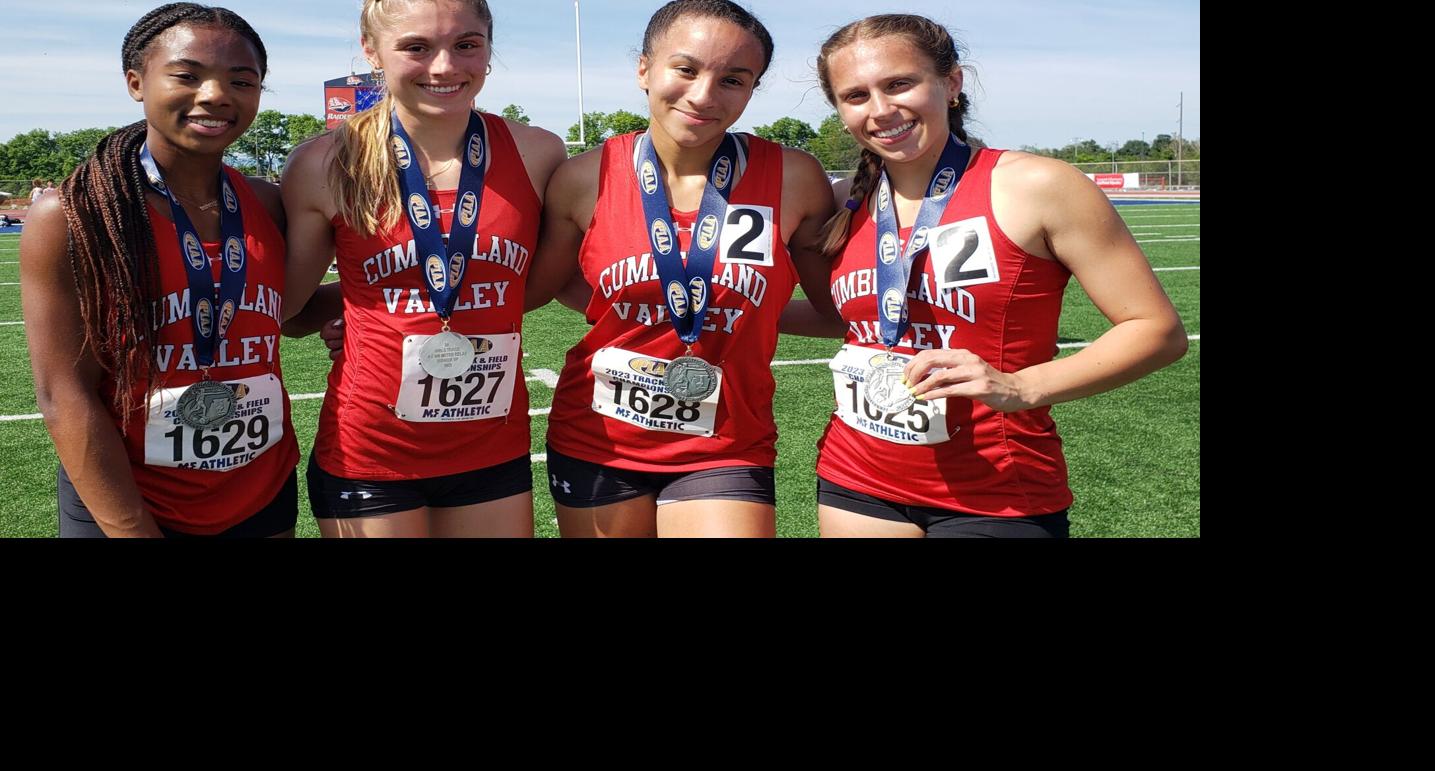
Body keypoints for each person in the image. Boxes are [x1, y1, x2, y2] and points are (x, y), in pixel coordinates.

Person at [808, 14, 1188, 537]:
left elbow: (1156, 330)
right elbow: (847, 319)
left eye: (900, 84)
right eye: (856, 95)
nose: (880, 110)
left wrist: (1020, 386)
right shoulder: (843, 200)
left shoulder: (1037, 185)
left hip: (996, 493)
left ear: (952, 83)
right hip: (857, 480)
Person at [522, 0, 839, 539]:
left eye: (733, 79)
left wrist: (748, 313)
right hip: (597, 436)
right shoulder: (583, 177)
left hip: (728, 441)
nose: (703, 95)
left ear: (753, 89)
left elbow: (837, 311)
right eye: (686, 69)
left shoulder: (792, 177)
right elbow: (536, 290)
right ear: (645, 68)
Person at [280, 0, 566, 537]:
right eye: (416, 47)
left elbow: (542, 284)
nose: (444, 67)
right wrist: (363, 308)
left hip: (492, 446)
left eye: (466, 45)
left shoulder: (538, 153)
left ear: (488, 46)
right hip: (369, 447)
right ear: (372, 50)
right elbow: (287, 309)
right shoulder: (324, 163)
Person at [21, 3, 301, 537]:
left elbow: (294, 313)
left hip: (259, 488)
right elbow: (64, 394)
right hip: (128, 499)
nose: (216, 94)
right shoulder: (73, 216)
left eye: (242, 80)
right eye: (187, 75)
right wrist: (130, 528)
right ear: (136, 81)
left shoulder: (267, 203)